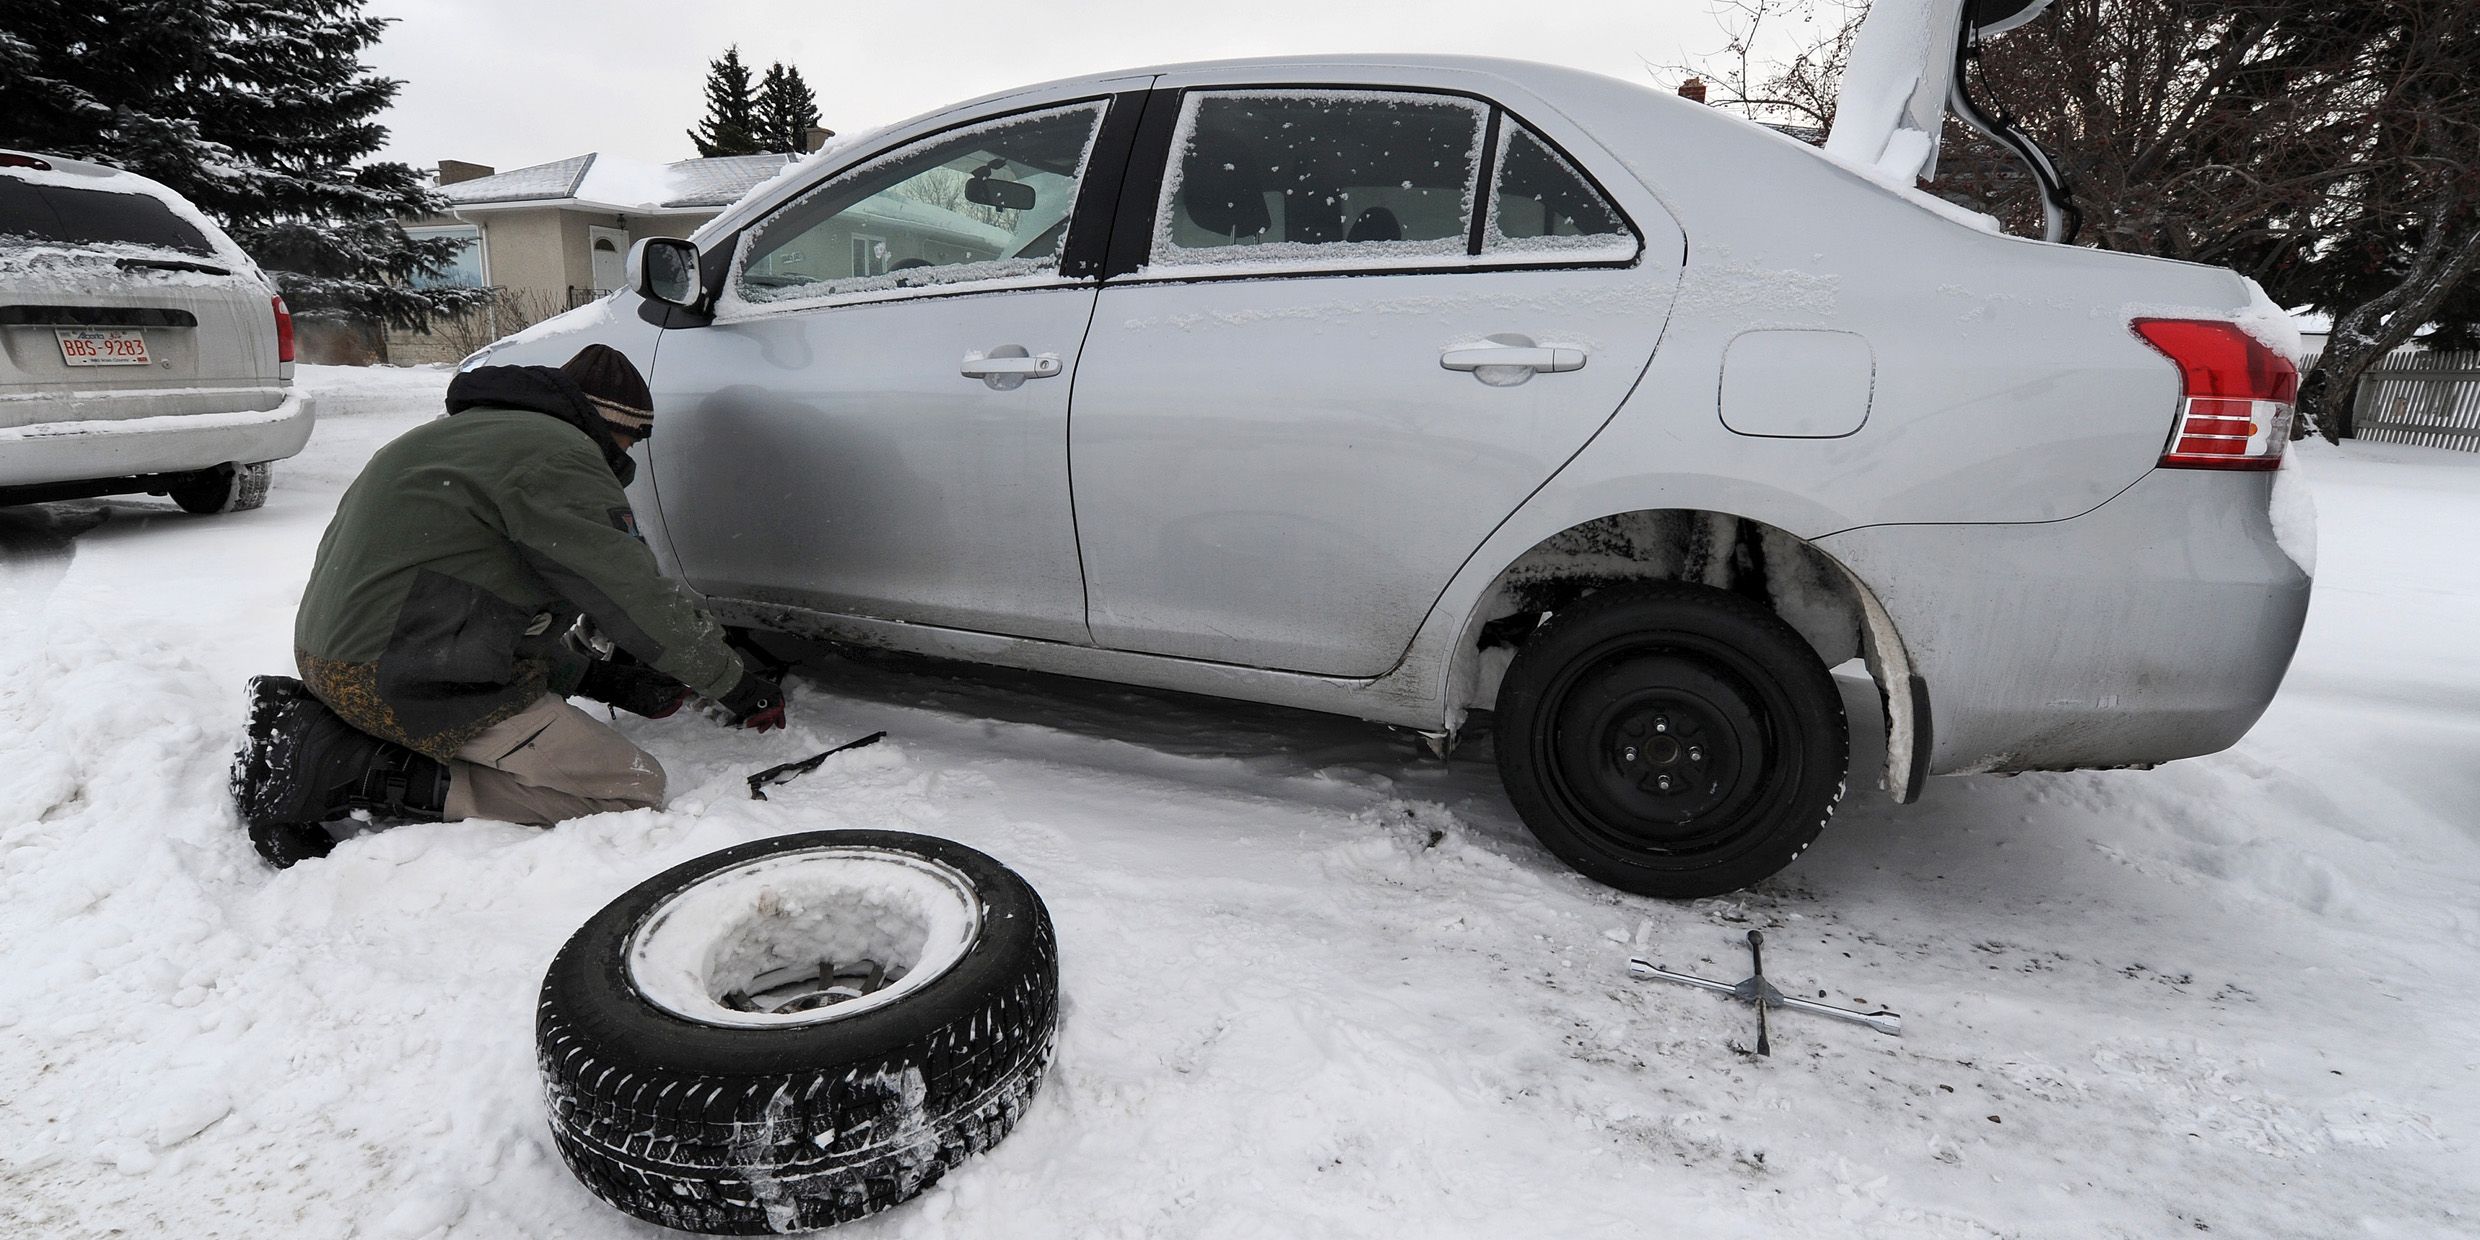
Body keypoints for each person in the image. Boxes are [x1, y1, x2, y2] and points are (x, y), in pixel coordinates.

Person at [231, 344, 785, 867]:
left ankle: (319, 726)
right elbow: (634, 595)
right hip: (402, 679)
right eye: (632, 440)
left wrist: (596, 679)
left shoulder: (453, 438)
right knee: (631, 788)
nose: (629, 455)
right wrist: (734, 684)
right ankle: (355, 772)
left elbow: (471, 606)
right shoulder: (558, 458)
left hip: (339, 659)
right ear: (609, 426)